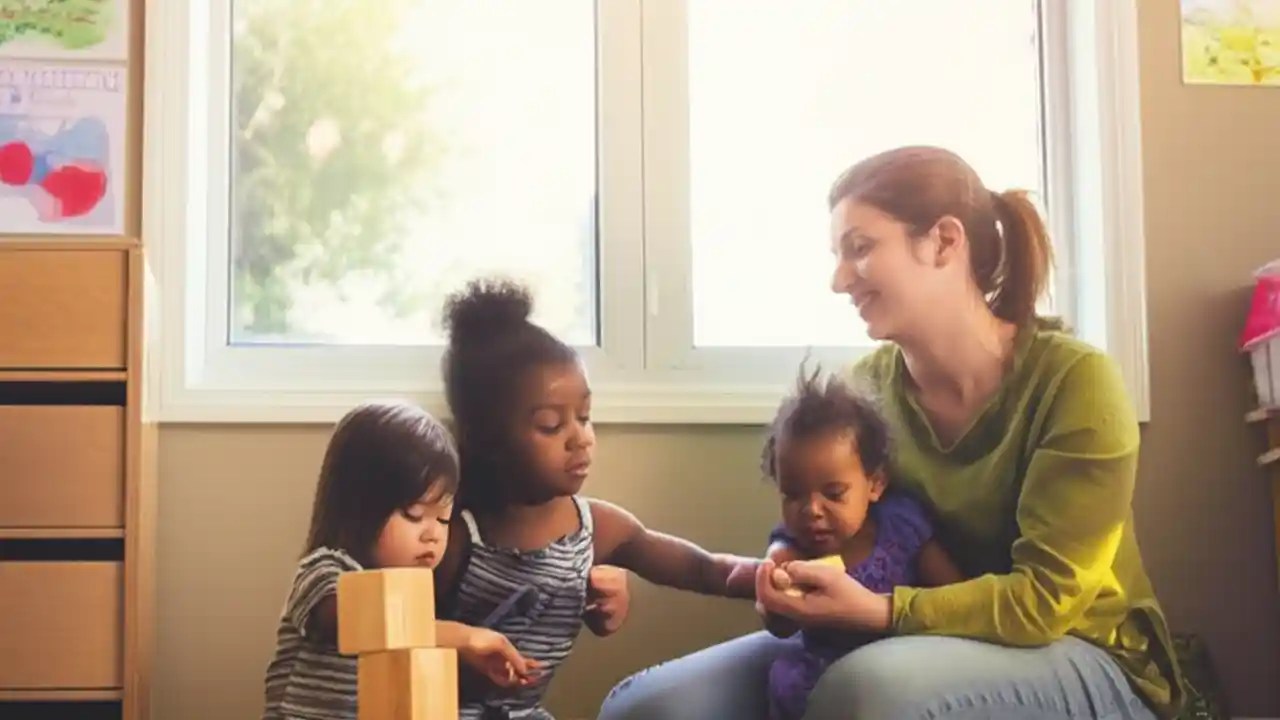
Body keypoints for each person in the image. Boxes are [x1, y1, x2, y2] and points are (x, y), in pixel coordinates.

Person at [597, 146, 1187, 720]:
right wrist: (786, 570)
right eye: (837, 254)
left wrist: (881, 611)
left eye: (860, 249)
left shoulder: (1075, 383)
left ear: (944, 242)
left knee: (866, 690)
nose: (838, 280)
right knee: (648, 707)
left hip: (1085, 654)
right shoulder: (868, 390)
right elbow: (844, 534)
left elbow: (1044, 604)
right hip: (894, 633)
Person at [432, 278, 760, 720]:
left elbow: (702, 569)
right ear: (486, 438)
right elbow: (385, 635)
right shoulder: (451, 537)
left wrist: (767, 576)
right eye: (552, 425)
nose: (581, 439)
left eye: (584, 417)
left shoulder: (594, 529)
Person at [261, 401, 538, 720]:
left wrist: (470, 661)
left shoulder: (412, 596)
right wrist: (463, 638)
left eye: (444, 519)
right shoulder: (324, 573)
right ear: (358, 508)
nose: (433, 534)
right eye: (414, 515)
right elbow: (365, 621)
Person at [758, 364, 964, 720]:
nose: (812, 510)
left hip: (909, 666)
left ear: (875, 484)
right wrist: (776, 598)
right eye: (793, 495)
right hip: (823, 672)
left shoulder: (902, 525)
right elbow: (781, 624)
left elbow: (954, 591)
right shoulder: (793, 549)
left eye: (833, 494)